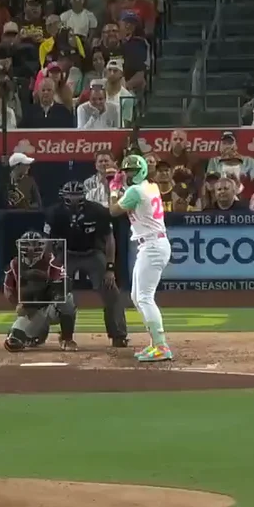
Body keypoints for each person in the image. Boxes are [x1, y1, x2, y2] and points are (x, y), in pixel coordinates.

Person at [43, 180, 129, 348]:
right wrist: (50, 265)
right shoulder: (54, 213)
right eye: (70, 195)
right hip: (67, 253)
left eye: (77, 195)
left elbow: (110, 240)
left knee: (112, 292)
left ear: (84, 196)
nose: (74, 199)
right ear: (63, 196)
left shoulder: (97, 211)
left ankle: (119, 334)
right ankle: (61, 335)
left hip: (92, 253)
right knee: (58, 293)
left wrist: (110, 268)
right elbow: (47, 242)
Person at [106, 155, 172, 363]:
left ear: (141, 170)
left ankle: (161, 346)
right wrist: (121, 187)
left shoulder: (136, 191)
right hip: (151, 244)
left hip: (153, 245)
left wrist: (114, 189)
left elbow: (113, 210)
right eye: (127, 171)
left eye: (132, 171)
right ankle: (155, 343)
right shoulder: (151, 186)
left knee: (144, 297)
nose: (129, 174)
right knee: (137, 296)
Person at [1, 231, 78, 351]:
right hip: (31, 310)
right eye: (28, 245)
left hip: (51, 307)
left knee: (67, 299)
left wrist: (50, 287)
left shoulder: (51, 262)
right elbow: (8, 289)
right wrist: (17, 304)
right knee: (14, 341)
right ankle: (37, 334)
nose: (31, 249)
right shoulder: (14, 264)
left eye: (35, 245)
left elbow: (65, 284)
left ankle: (67, 338)